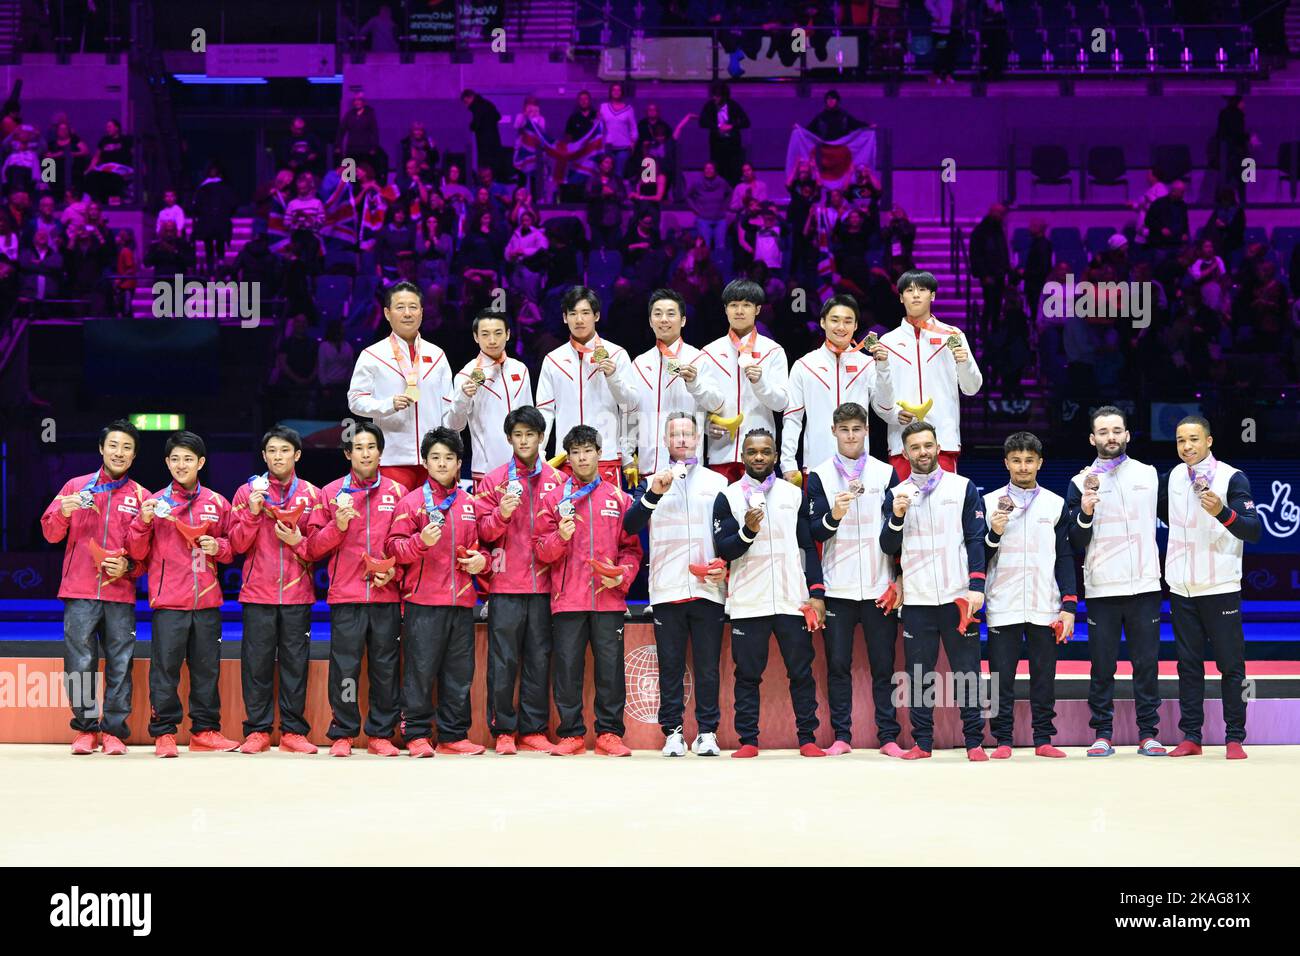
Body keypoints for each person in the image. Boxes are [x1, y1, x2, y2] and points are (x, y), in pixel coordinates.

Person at [125, 431, 241, 757]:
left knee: (207, 669)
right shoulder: (155, 503)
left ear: (200, 463)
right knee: (165, 669)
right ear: (166, 462)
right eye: (175, 459)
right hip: (169, 601)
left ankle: (205, 731)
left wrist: (218, 546)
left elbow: (234, 548)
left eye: (188, 458)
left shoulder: (218, 503)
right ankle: (164, 733)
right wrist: (144, 521)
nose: (181, 464)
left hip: (207, 601)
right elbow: (136, 551)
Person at [879, 420, 989, 760]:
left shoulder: (963, 487)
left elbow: (975, 539)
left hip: (958, 596)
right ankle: (922, 743)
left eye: (928, 445)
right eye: (915, 447)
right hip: (917, 599)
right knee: (919, 675)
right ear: (905, 453)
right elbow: (887, 545)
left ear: (938, 447)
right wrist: (896, 516)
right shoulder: (896, 493)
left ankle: (974, 741)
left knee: (968, 672)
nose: (922, 452)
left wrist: (975, 586)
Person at [712, 429, 825, 757]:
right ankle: (748, 740)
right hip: (749, 601)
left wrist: (815, 592)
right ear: (743, 457)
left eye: (765, 452)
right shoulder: (729, 497)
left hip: (792, 599)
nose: (758, 457)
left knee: (801, 672)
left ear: (775, 457)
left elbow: (807, 546)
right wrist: (748, 531)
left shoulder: (793, 495)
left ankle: (808, 739)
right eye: (752, 452)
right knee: (747, 675)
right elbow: (726, 549)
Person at [40, 419, 149, 756]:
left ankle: (114, 731)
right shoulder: (75, 486)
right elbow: (50, 533)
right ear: (101, 449)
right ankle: (86, 729)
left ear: (133, 457)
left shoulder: (141, 496)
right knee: (79, 661)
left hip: (120, 593)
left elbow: (145, 555)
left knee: (120, 662)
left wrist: (129, 567)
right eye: (113, 445)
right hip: (79, 590)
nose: (119, 452)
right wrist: (62, 511)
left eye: (127, 448)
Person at [534, 425, 644, 756]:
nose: (582, 458)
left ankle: (609, 734)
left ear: (599, 453)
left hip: (608, 599)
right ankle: (571, 734)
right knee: (567, 667)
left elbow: (632, 550)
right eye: (575, 452)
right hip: (567, 599)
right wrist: (560, 538)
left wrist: (621, 577)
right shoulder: (555, 499)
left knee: (610, 668)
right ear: (568, 458)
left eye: (588, 450)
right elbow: (541, 550)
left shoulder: (619, 499)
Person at [624, 413, 729, 756]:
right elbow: (630, 523)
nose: (682, 439)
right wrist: (653, 494)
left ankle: (708, 733)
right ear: (666, 441)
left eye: (687, 433)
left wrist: (724, 565)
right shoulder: (652, 481)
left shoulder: (716, 482)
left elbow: (727, 533)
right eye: (675, 434)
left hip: (708, 589)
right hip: (667, 589)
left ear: (698, 438)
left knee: (707, 667)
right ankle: (673, 732)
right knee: (669, 667)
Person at [301, 422, 407, 757]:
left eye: (371, 447)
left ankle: (381, 734)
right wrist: (339, 525)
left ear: (380, 452)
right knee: (345, 667)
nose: (365, 453)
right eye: (358, 448)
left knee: (385, 666)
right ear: (348, 454)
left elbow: (406, 545)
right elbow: (313, 547)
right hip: (346, 595)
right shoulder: (330, 493)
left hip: (385, 595)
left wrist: (392, 571)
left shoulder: (397, 493)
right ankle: (344, 732)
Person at [1064, 406, 1165, 757]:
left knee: (1146, 664)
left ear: (1127, 435)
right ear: (1093, 438)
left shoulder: (1150, 475)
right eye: (1103, 432)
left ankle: (1149, 733)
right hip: (1102, 588)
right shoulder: (1080, 483)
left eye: (1117, 430)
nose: (1111, 437)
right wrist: (1087, 511)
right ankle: (1102, 733)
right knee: (1102, 665)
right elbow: (1074, 541)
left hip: (1145, 587)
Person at [1158, 416, 1261, 759]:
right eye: (1180, 441)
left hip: (1220, 587)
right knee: (1188, 665)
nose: (1186, 446)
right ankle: (1191, 737)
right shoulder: (1173, 477)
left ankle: (1235, 737)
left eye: (1193, 439)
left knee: (1232, 665)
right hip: (1182, 588)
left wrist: (1223, 512)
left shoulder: (1232, 477)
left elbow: (1253, 529)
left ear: (1209, 441)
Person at [806, 403, 905, 756]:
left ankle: (888, 736)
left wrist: (900, 578)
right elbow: (813, 532)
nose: (850, 436)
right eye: (844, 429)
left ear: (867, 431)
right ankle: (842, 736)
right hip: (838, 587)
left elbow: (899, 532)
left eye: (857, 429)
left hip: (879, 586)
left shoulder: (885, 473)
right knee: (837, 666)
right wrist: (833, 514)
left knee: (883, 665)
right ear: (833, 431)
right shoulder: (818, 475)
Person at [387, 427, 489, 756]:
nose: (442, 464)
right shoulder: (410, 503)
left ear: (460, 463)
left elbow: (483, 550)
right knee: (420, 670)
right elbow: (394, 549)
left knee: (459, 673)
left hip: (461, 602)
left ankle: (452, 735)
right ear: (425, 462)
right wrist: (421, 543)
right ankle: (416, 733)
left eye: (449, 458)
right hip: (422, 601)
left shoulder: (471, 504)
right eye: (435, 458)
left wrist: (480, 562)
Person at [474, 407, 566, 754]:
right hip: (505, 586)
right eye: (518, 435)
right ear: (509, 439)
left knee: (540, 659)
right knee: (503, 661)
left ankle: (534, 729)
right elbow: (482, 532)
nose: (524, 440)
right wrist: (502, 514)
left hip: (544, 587)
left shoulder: (558, 482)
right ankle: (503, 730)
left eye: (530, 434)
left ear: (541, 438)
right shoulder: (493, 481)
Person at [228, 425, 324, 754]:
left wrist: (298, 541)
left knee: (295, 664)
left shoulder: (312, 495)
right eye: (272, 451)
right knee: (256, 664)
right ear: (264, 455)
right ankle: (257, 730)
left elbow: (319, 548)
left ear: (296, 455)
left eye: (284, 451)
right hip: (257, 592)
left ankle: (293, 732)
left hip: (298, 593)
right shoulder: (246, 494)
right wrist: (253, 515)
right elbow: (236, 546)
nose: (277, 456)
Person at [981, 431, 1077, 758]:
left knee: (1043, 677)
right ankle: (1003, 739)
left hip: (1044, 604)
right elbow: (978, 556)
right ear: (1006, 462)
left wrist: (1068, 604)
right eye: (1017, 461)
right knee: (1000, 677)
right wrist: (993, 533)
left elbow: (1065, 557)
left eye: (1029, 461)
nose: (1023, 467)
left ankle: (1043, 739)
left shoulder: (1055, 504)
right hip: (1002, 602)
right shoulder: (988, 502)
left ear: (1040, 463)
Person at [347, 280, 452, 493]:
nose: (407, 313)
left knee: (433, 522)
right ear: (387, 313)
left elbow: (448, 407)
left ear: (422, 312)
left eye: (413, 307)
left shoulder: (437, 355)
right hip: (392, 457)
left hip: (433, 459)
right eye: (400, 307)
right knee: (397, 523)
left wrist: (451, 451)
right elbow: (355, 401)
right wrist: (388, 404)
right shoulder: (372, 355)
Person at [878, 270, 983, 480]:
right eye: (909, 290)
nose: (916, 295)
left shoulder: (952, 335)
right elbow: (879, 399)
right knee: (903, 508)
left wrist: (964, 362)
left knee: (944, 508)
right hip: (902, 442)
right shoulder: (887, 342)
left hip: (942, 439)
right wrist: (892, 415)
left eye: (922, 289)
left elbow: (972, 388)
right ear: (901, 297)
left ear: (932, 295)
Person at [781, 293, 893, 481]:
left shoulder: (868, 365)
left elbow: (885, 407)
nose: (841, 327)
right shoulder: (805, 365)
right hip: (817, 466)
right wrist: (788, 463)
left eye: (848, 321)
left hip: (860, 468)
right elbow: (792, 418)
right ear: (823, 322)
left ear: (856, 325)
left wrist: (883, 368)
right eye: (835, 320)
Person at [534, 285, 637, 488]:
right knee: (566, 519)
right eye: (573, 314)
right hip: (565, 460)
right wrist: (539, 453)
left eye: (585, 313)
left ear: (596, 316)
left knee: (608, 520)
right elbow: (544, 411)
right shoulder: (553, 360)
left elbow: (631, 406)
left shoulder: (617, 355)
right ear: (565, 318)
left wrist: (627, 455)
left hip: (606, 457)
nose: (579, 320)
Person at [622, 288, 722, 481]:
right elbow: (629, 412)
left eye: (670, 314)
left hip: (688, 468)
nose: (664, 319)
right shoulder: (640, 364)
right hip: (648, 467)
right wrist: (627, 456)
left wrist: (695, 384)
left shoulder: (699, 359)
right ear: (650, 321)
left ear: (683, 320)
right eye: (657, 314)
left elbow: (717, 404)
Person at [696, 279, 789, 483]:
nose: (739, 311)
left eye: (746, 305)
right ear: (725, 310)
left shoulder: (773, 351)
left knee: (759, 513)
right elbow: (698, 404)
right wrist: (704, 425)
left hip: (760, 454)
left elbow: (781, 403)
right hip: (720, 452)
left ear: (757, 309)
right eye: (733, 305)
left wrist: (760, 383)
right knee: (722, 513)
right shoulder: (709, 353)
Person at [447, 309, 534, 481]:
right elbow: (454, 425)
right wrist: (463, 396)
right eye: (485, 334)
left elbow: (531, 418)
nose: (492, 340)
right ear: (476, 337)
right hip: (487, 470)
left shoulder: (520, 369)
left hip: (525, 466)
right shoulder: (466, 376)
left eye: (498, 333)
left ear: (508, 334)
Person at [969, 202, 1011, 338]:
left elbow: (1002, 251)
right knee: (991, 303)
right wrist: (983, 274)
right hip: (989, 273)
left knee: (996, 304)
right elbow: (976, 254)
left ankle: (993, 331)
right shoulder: (982, 231)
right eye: (1000, 213)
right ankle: (986, 332)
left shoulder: (997, 230)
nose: (1002, 216)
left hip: (998, 272)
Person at [698, 81, 750, 186]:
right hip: (717, 144)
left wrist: (732, 126)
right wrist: (717, 127)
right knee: (718, 170)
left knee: (733, 170)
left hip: (732, 145)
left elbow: (746, 122)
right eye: (713, 95)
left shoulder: (733, 105)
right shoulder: (710, 106)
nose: (714, 98)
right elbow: (702, 122)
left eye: (717, 96)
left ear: (724, 96)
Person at [191, 162, 238, 276]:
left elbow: (231, 203)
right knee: (209, 244)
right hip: (209, 220)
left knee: (219, 242)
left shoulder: (222, 187)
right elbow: (197, 205)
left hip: (218, 220)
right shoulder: (204, 188)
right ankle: (211, 266)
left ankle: (219, 264)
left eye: (214, 170)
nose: (213, 172)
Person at [461, 89, 504, 179]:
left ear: (470, 97)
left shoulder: (477, 107)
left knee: (484, 166)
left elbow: (475, 125)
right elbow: (498, 116)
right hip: (494, 139)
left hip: (484, 141)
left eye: (466, 101)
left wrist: (471, 126)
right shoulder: (488, 104)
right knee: (494, 165)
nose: (466, 105)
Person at [598, 82, 637, 176]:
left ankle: (619, 191)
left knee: (618, 173)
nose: (616, 92)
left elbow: (634, 128)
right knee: (606, 174)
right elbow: (599, 126)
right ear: (610, 92)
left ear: (622, 92)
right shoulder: (603, 107)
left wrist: (633, 143)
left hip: (623, 147)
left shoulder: (629, 109)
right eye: (614, 90)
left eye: (618, 90)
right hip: (608, 147)